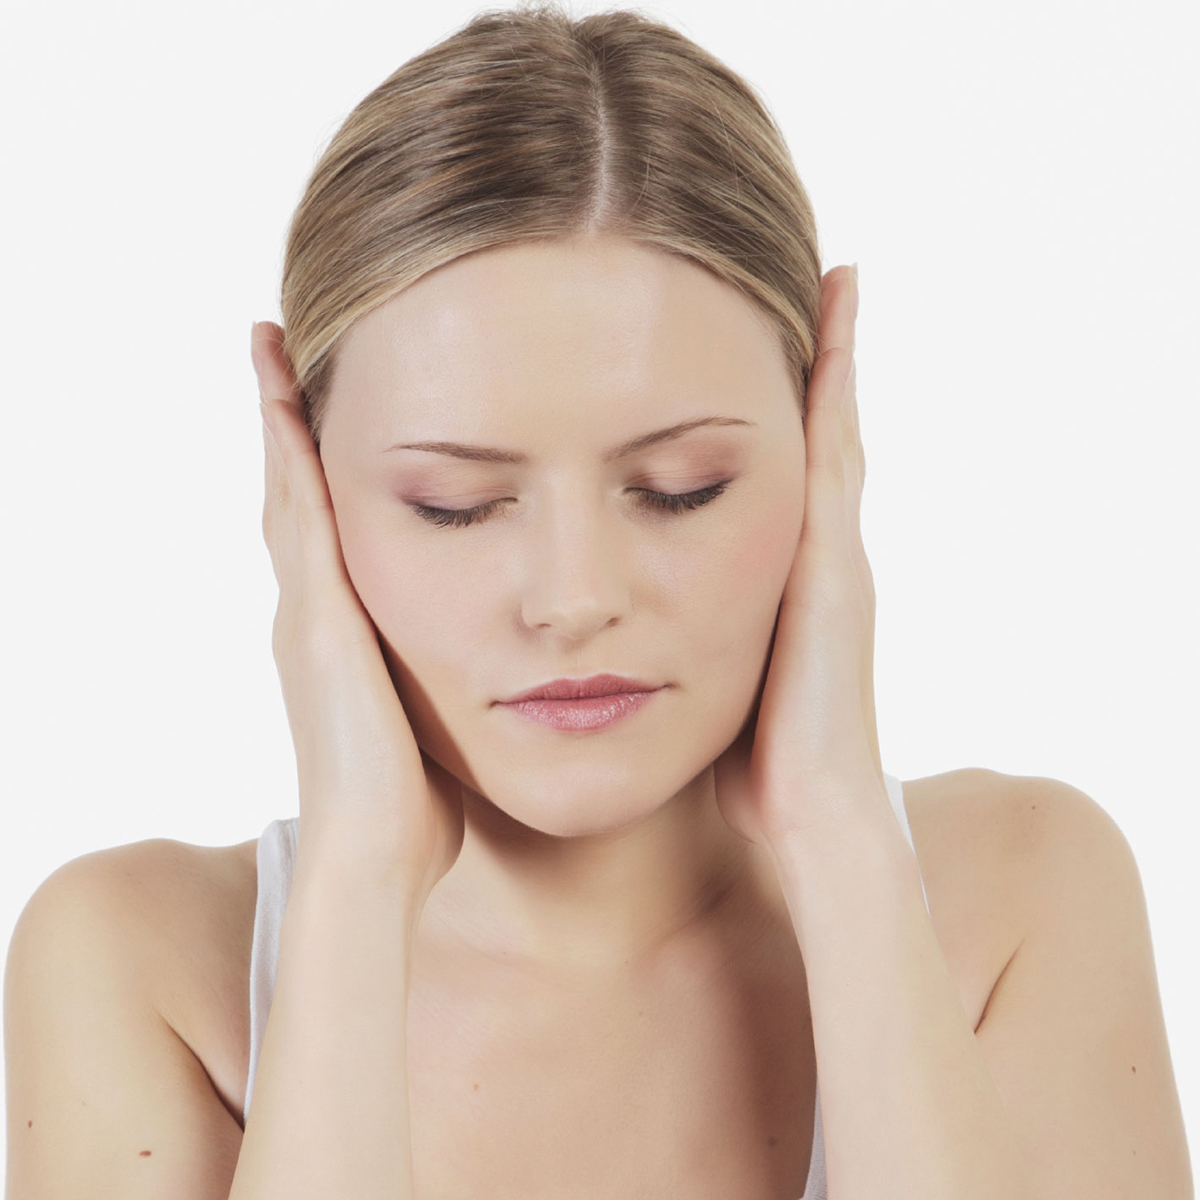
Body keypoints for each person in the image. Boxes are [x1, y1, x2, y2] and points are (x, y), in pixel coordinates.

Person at [5, 4, 1191, 1199]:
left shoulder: (1026, 896)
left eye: (682, 490)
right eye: (455, 503)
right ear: (303, 493)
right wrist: (358, 878)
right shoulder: (135, 964)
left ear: (825, 444)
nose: (573, 602)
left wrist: (839, 838)